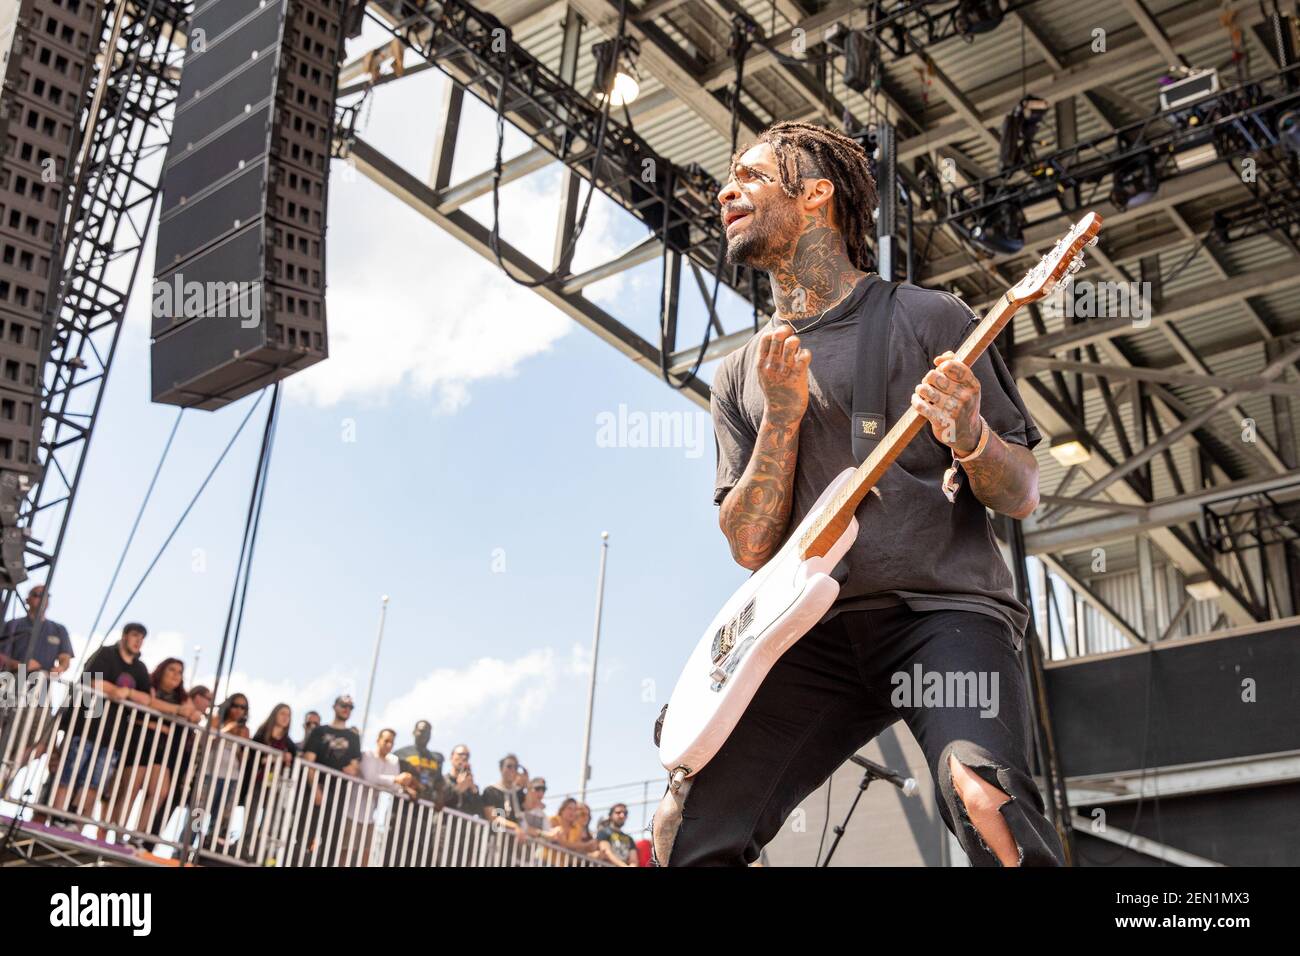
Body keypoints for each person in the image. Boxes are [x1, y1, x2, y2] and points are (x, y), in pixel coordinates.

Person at [652, 122, 1064, 868]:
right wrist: (780, 418)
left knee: (983, 796)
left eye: (750, 176)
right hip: (807, 633)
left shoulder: (929, 318)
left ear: (815, 195)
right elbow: (748, 544)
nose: (725, 191)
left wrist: (969, 431)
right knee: (688, 828)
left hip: (941, 615)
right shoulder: (739, 375)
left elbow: (1022, 493)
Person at [52, 623, 153, 822]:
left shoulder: (140, 668)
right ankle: (56, 816)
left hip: (114, 735)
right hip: (87, 726)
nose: (138, 641)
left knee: (94, 782)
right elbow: (92, 680)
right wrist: (115, 692)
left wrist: (127, 692)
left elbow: (147, 698)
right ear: (124, 636)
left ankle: (74, 820)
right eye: (135, 636)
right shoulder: (106, 654)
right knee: (69, 775)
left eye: (141, 638)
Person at [297, 694, 361, 861]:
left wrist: (351, 769)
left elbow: (355, 767)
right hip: (315, 792)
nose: (346, 709)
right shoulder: (320, 731)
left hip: (338, 795)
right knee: (304, 836)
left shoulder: (353, 737)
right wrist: (316, 789)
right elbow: (309, 761)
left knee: (331, 841)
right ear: (334, 706)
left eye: (350, 707)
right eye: (343, 705)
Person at [345, 727, 415, 866]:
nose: (389, 745)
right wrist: (396, 779)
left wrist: (402, 784)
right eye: (386, 741)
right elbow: (370, 778)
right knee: (346, 851)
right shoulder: (367, 754)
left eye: (392, 742)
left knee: (366, 854)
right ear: (378, 740)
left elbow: (394, 787)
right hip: (351, 811)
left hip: (370, 816)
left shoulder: (393, 760)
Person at [392, 719, 444, 806]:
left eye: (427, 732)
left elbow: (439, 782)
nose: (424, 734)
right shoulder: (400, 754)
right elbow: (393, 778)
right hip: (401, 807)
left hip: (425, 810)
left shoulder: (436, 758)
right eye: (421, 731)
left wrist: (439, 797)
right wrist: (405, 789)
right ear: (414, 732)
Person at [481, 753, 522, 830]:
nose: (513, 770)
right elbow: (493, 817)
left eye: (516, 767)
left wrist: (527, 783)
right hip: (495, 839)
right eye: (509, 766)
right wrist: (515, 827)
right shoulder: (490, 791)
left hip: (514, 841)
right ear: (501, 768)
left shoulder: (519, 793)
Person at [441, 743, 483, 816]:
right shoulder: (442, 780)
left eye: (467, 756)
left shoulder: (472, 787)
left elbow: (479, 811)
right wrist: (460, 787)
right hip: (443, 825)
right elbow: (442, 801)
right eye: (460, 754)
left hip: (464, 827)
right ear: (451, 757)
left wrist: (473, 788)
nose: (464, 757)